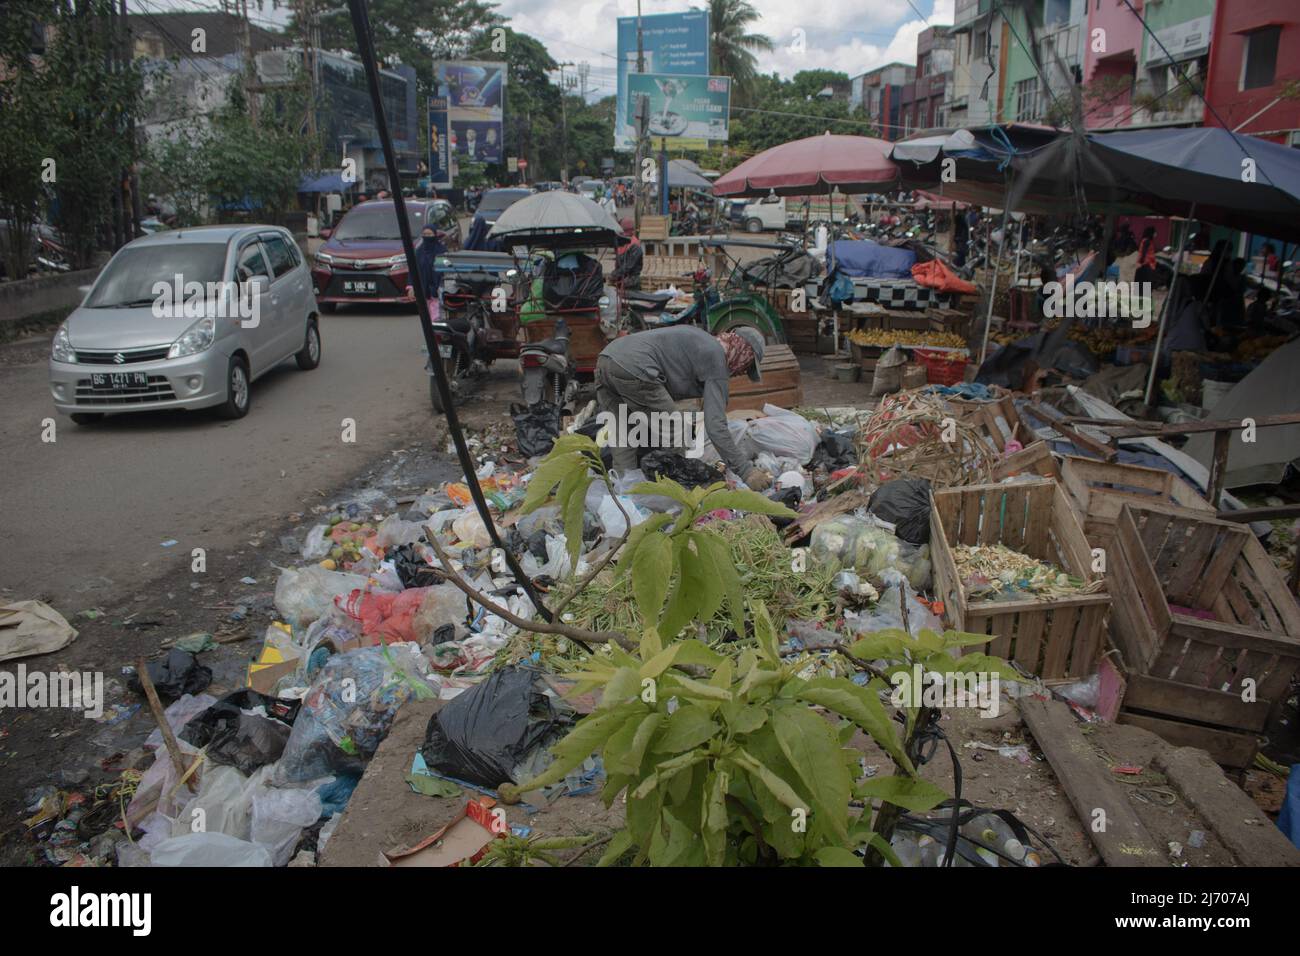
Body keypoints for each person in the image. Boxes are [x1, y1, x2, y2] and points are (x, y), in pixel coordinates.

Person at [594, 325, 772, 489]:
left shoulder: (705, 344)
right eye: (747, 366)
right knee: (676, 429)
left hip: (607, 359)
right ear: (743, 351)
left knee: (624, 432)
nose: (741, 372)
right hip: (635, 366)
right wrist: (747, 472)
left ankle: (623, 493)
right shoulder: (717, 356)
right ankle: (675, 493)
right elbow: (716, 425)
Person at [410, 224, 446, 320]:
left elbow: (442, 270)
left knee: (437, 317)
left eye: (429, 234)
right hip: (423, 290)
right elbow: (414, 269)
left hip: (438, 290)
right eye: (425, 234)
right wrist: (411, 286)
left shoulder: (441, 251)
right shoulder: (419, 251)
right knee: (426, 317)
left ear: (434, 235)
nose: (427, 237)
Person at [611, 217, 643, 290]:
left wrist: (615, 274)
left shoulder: (634, 245)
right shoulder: (622, 242)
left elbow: (628, 266)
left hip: (631, 282)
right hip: (622, 280)